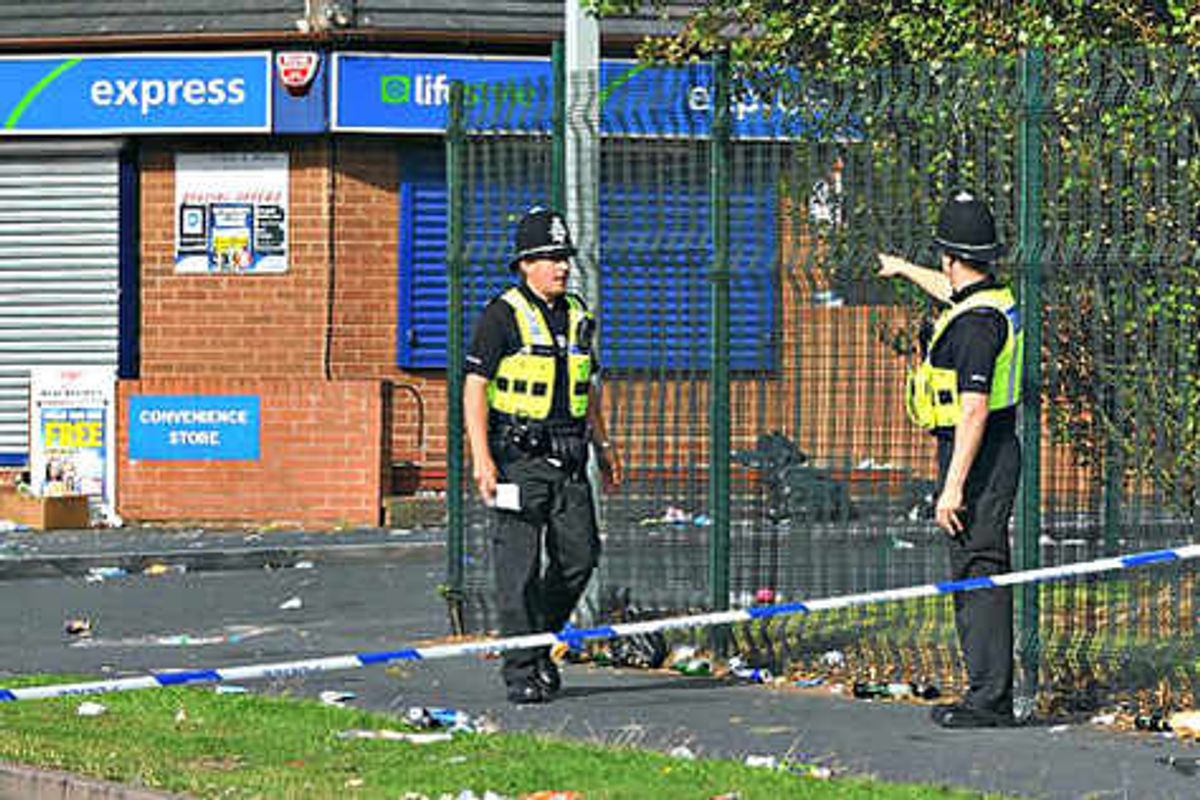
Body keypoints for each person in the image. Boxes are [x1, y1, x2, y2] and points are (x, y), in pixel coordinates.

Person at [464, 206, 623, 705]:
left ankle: (537, 643)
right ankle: (521, 673)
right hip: (517, 460)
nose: (562, 267)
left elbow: (587, 386)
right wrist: (481, 460)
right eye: (551, 258)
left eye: (565, 258)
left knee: (581, 556)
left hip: (571, 460)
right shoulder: (501, 314)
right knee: (518, 569)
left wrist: (605, 443)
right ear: (525, 263)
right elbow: (474, 389)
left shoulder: (578, 314)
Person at [878, 190, 1023, 728]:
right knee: (972, 568)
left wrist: (953, 487)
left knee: (978, 569)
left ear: (949, 254)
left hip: (979, 456)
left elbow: (974, 410)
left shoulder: (975, 327)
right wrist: (903, 269)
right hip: (988, 450)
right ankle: (985, 692)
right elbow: (954, 292)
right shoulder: (985, 300)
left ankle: (989, 701)